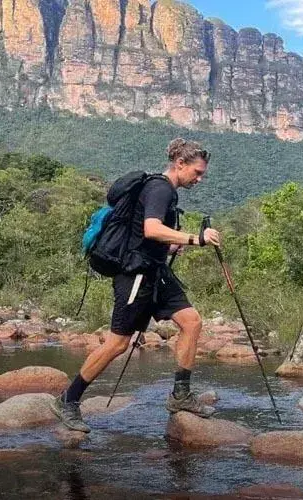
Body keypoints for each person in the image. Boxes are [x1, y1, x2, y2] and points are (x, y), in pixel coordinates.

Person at [52, 138, 221, 433]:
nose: (200, 179)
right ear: (180, 164)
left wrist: (169, 249)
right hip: (135, 276)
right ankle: (68, 399)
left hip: (154, 271)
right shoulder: (160, 188)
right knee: (118, 343)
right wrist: (197, 239)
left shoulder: (166, 191)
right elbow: (151, 229)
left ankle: (180, 396)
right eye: (197, 172)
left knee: (192, 322)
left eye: (202, 174)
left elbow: (145, 236)